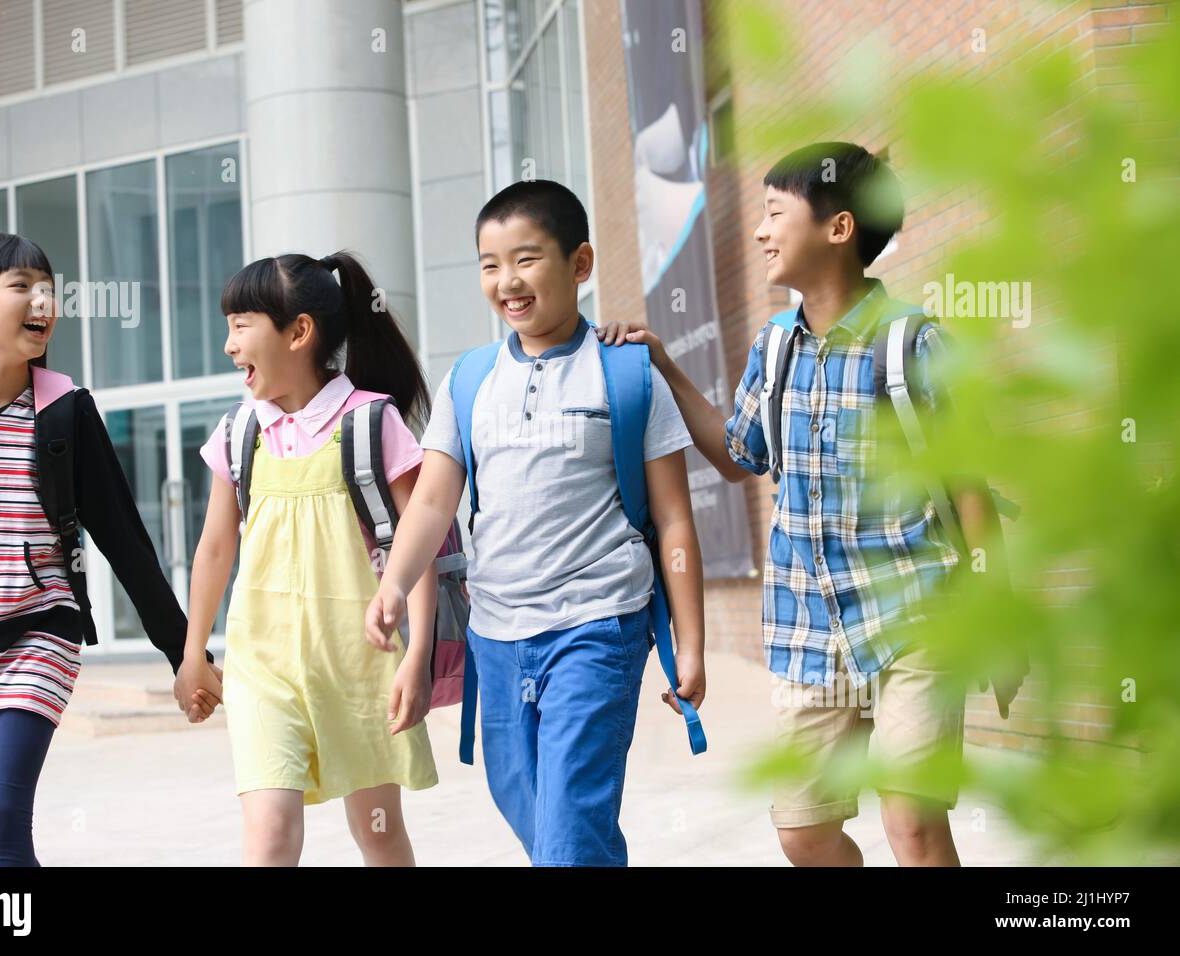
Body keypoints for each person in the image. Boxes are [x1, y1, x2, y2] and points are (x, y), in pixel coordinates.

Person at [600, 142, 1023, 866]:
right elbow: (738, 455)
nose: (761, 232)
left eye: (773, 214)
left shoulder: (914, 344)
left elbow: (968, 487)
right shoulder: (775, 349)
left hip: (916, 613)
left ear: (838, 229)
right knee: (803, 832)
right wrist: (665, 365)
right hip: (806, 628)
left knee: (912, 821)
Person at [365, 180, 707, 866]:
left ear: (579, 264)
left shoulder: (625, 371)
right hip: (499, 631)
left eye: (525, 259)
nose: (506, 281)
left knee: (570, 827)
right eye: (490, 265)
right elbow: (432, 504)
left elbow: (672, 518)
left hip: (599, 623)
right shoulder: (471, 379)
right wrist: (396, 584)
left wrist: (691, 644)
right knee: (530, 806)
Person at [0, 232, 214, 866]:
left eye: (48, 290)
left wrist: (183, 651)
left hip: (38, 636)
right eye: (21, 287)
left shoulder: (64, 411)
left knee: (2, 824)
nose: (43, 302)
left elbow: (123, 539)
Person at [179, 251, 439, 866]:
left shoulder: (373, 423)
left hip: (360, 666)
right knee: (269, 837)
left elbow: (419, 545)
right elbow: (215, 549)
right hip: (261, 666)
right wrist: (193, 652)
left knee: (377, 831)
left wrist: (419, 655)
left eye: (242, 325)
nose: (228, 344)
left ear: (299, 332)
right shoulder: (240, 433)